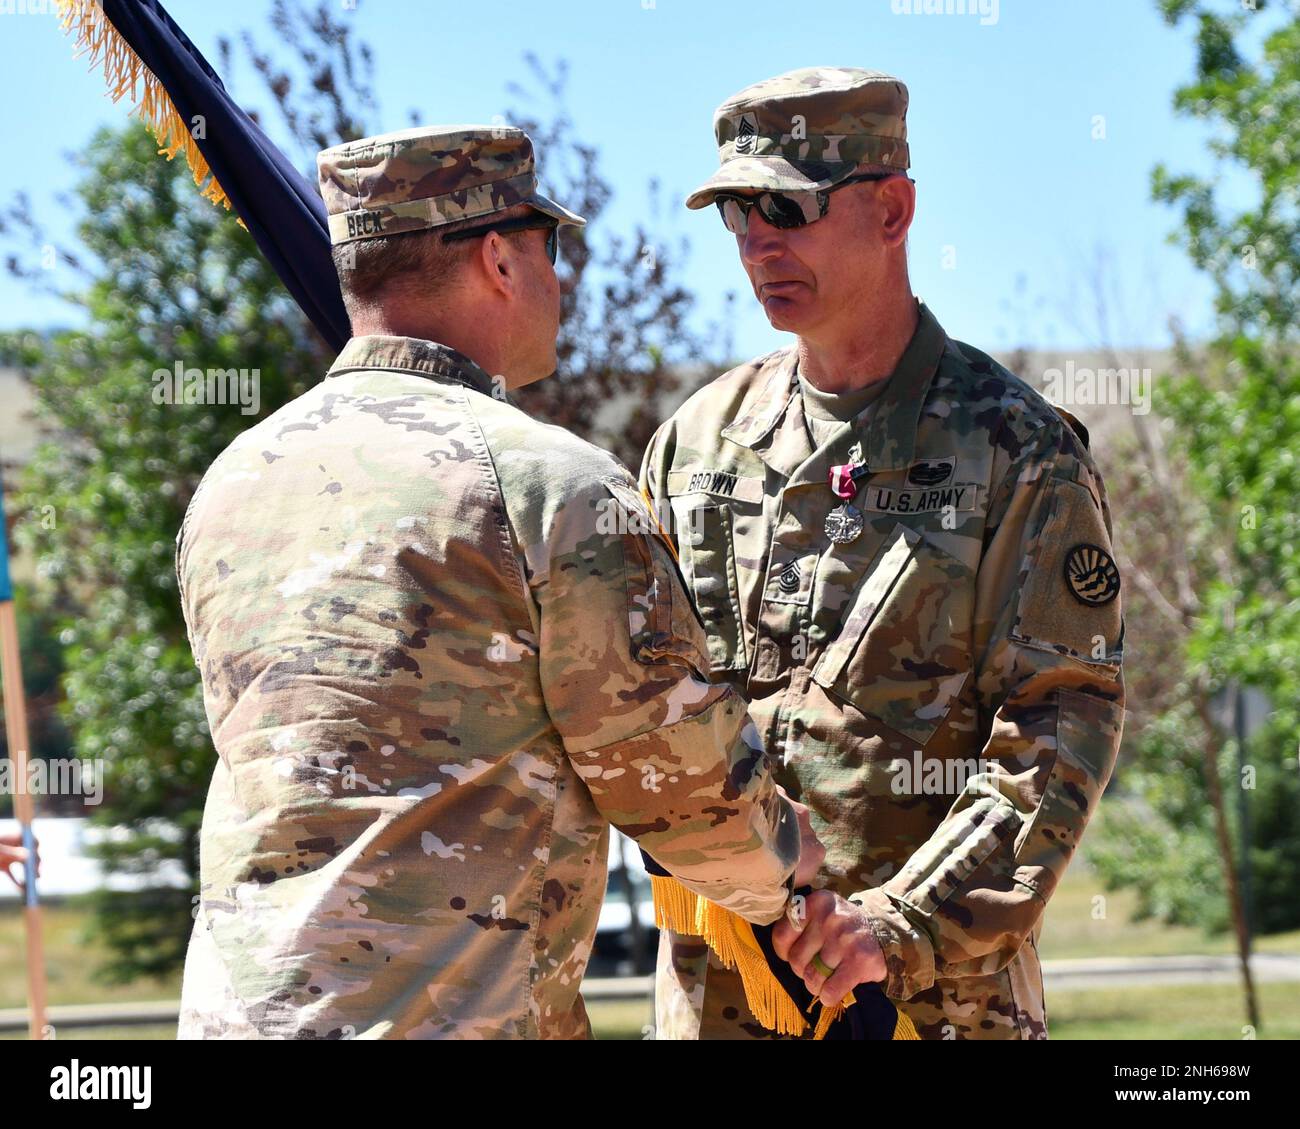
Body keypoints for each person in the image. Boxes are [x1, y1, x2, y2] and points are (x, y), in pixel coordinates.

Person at [176, 124, 821, 1040]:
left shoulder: (232, 481)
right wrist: (797, 863)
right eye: (550, 245)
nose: (562, 279)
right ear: (499, 260)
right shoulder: (548, 488)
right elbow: (682, 786)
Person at [641, 67, 1126, 1040]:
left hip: (925, 1006)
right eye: (736, 214)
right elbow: (636, 704)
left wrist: (895, 926)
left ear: (894, 209)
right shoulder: (691, 446)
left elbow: (1057, 729)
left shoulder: (1012, 448)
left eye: (786, 205)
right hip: (718, 998)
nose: (758, 242)